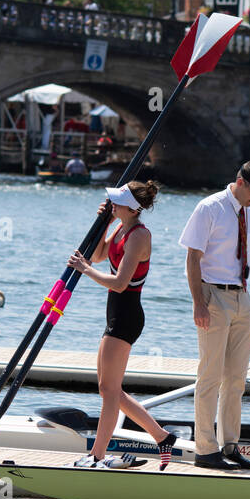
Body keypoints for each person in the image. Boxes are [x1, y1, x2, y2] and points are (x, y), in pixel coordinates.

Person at [67, 182, 184, 469]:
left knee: (108, 391)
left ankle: (96, 455)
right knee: (111, 390)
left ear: (133, 208)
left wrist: (85, 270)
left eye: (116, 202)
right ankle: (162, 437)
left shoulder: (139, 236)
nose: (111, 204)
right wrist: (105, 223)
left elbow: (119, 283)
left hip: (127, 316)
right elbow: (97, 255)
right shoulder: (120, 227)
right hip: (116, 316)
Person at [179, 160, 250, 471]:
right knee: (210, 376)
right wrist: (198, 303)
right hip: (212, 294)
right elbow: (193, 257)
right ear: (241, 181)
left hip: (241, 294)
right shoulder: (210, 207)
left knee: (236, 379)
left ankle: (230, 445)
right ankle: (206, 450)